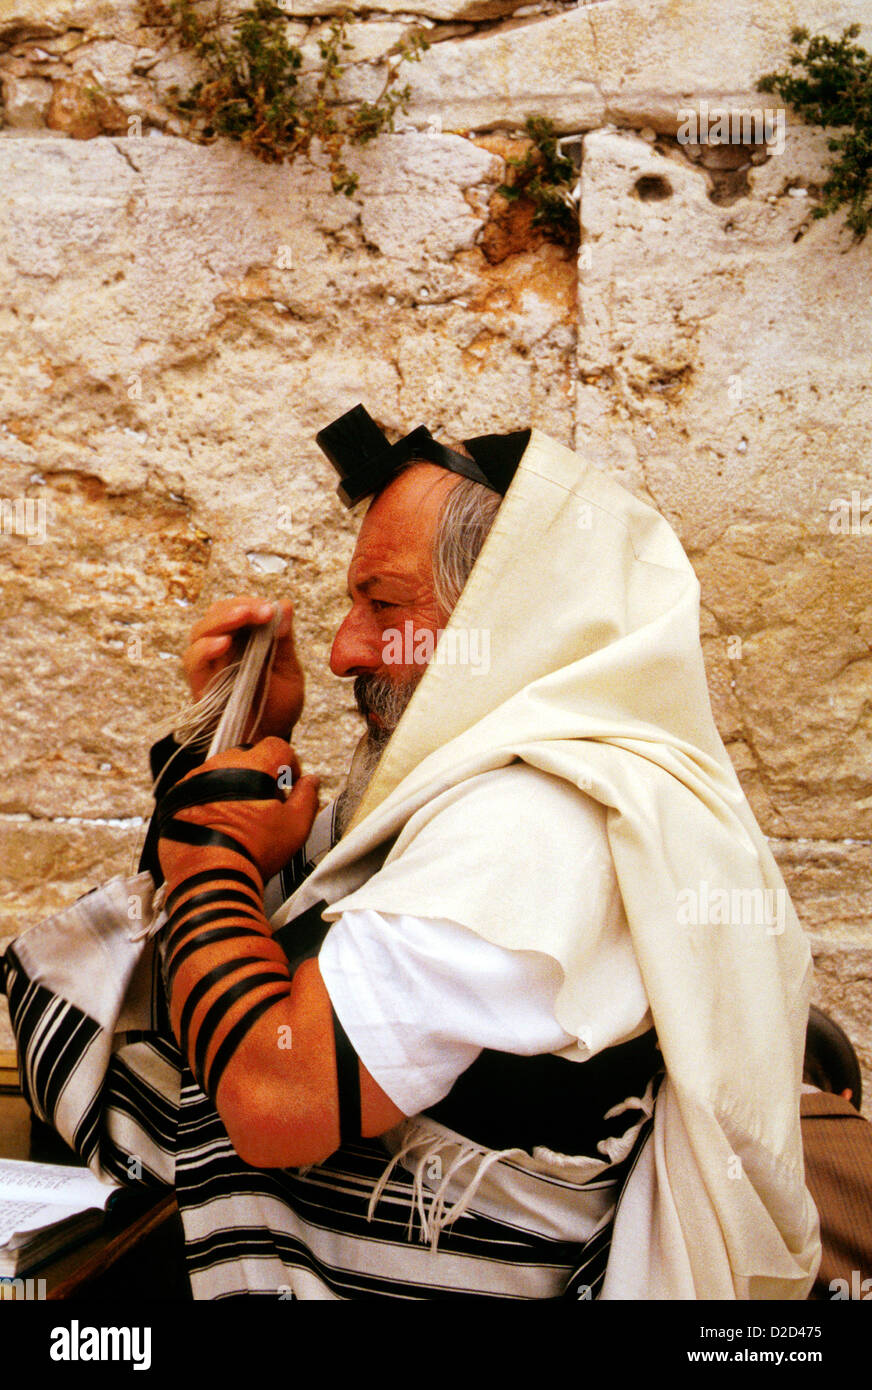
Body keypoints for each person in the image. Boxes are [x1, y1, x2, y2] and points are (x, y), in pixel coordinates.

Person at [5, 411, 821, 1299]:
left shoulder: (536, 824)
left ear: (511, 618)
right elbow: (275, 950)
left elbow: (278, 1099)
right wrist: (229, 748)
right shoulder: (501, 789)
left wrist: (211, 854)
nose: (345, 651)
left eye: (384, 606)